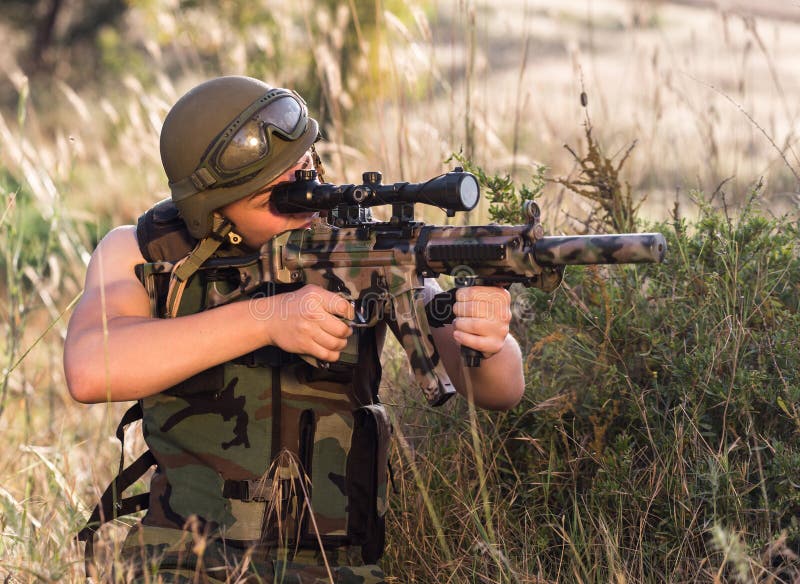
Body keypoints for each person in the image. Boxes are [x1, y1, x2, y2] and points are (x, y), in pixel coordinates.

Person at [64, 76, 525, 583]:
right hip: (181, 561)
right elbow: (90, 369)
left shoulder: (361, 246)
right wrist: (268, 320)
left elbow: (499, 391)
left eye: (308, 172)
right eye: (278, 198)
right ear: (213, 210)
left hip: (335, 567)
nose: (307, 200)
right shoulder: (142, 251)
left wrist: (490, 341)